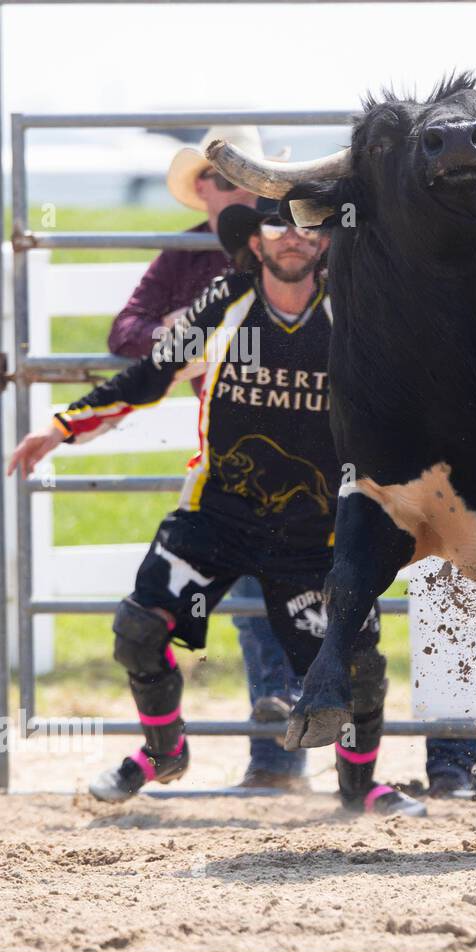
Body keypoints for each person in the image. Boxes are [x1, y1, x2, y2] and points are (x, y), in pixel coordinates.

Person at [8, 200, 423, 817]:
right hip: (216, 514)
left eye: (307, 226)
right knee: (139, 629)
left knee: (357, 664)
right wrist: (63, 426)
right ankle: (162, 752)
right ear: (254, 242)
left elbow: (410, 394)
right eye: (276, 225)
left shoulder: (355, 311)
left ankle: (361, 789)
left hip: (317, 527)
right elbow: (150, 377)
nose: (292, 237)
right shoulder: (224, 302)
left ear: (326, 242)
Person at [111, 126, 306, 791]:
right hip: (234, 453)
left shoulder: (289, 240)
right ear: (200, 188)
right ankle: (278, 753)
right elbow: (125, 327)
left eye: (243, 176)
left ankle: (275, 751)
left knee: (267, 586)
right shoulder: (192, 254)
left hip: (302, 444)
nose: (231, 188)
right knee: (258, 588)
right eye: (221, 177)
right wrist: (172, 335)